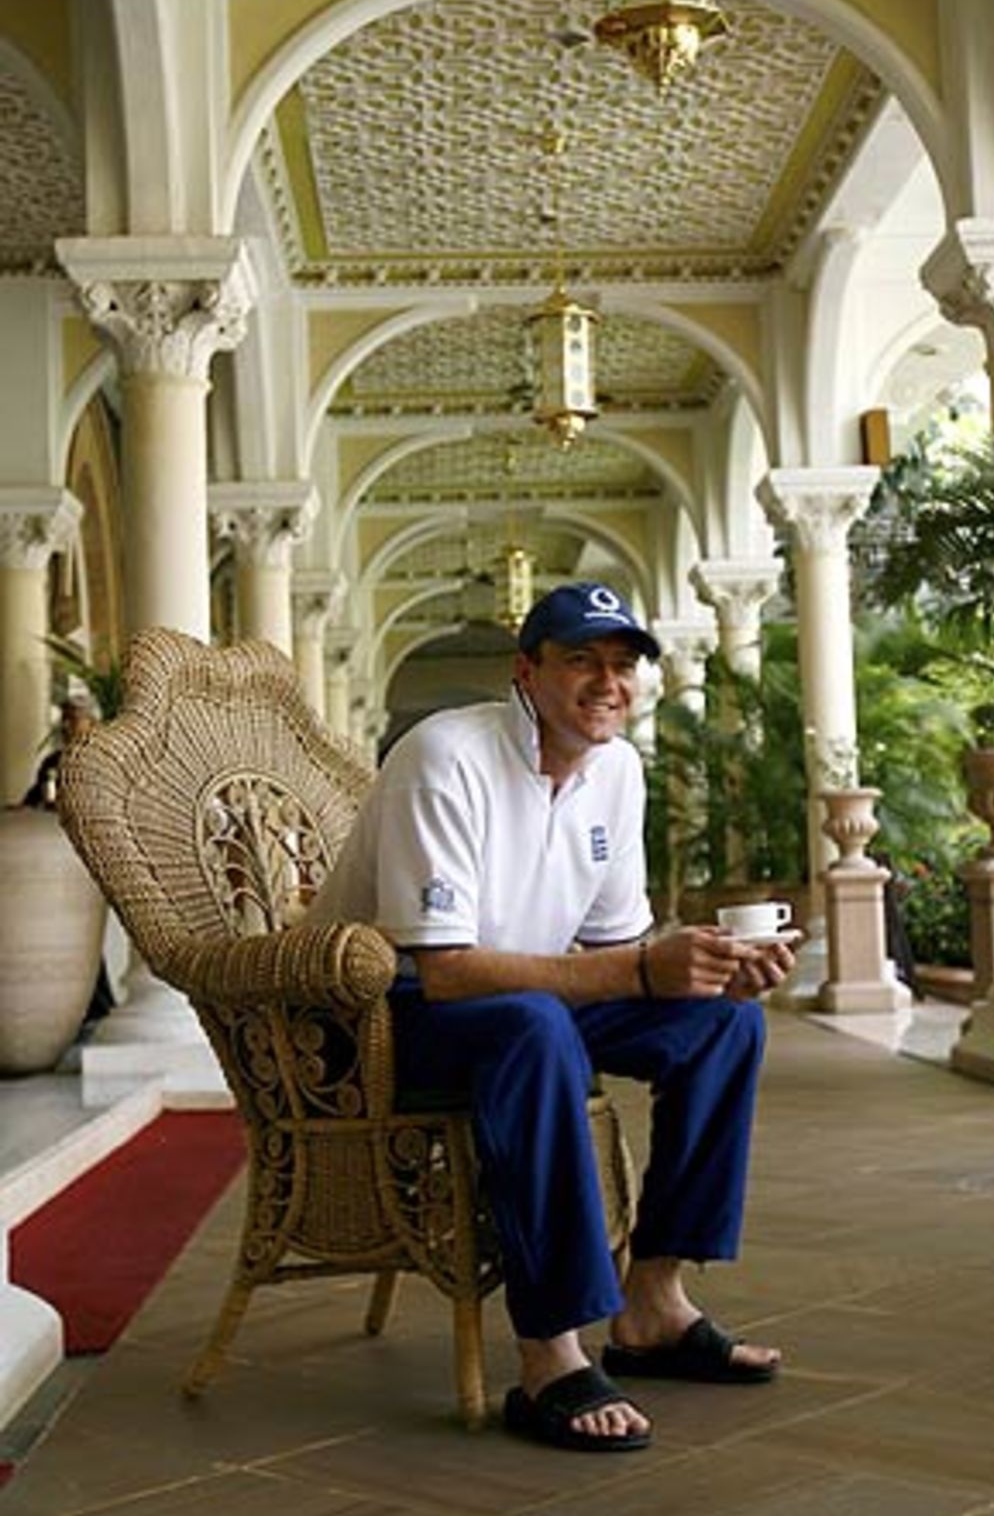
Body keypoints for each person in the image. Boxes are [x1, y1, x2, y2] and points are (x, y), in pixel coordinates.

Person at [310, 581, 795, 1452]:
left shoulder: (617, 772)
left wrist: (711, 973)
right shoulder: (445, 756)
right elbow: (448, 972)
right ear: (526, 673)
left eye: (623, 665)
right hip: (383, 1018)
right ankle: (552, 1354)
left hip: (525, 1000)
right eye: (583, 660)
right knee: (532, 1028)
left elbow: (619, 948)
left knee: (724, 1027)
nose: (609, 682)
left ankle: (653, 1303)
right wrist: (647, 968)